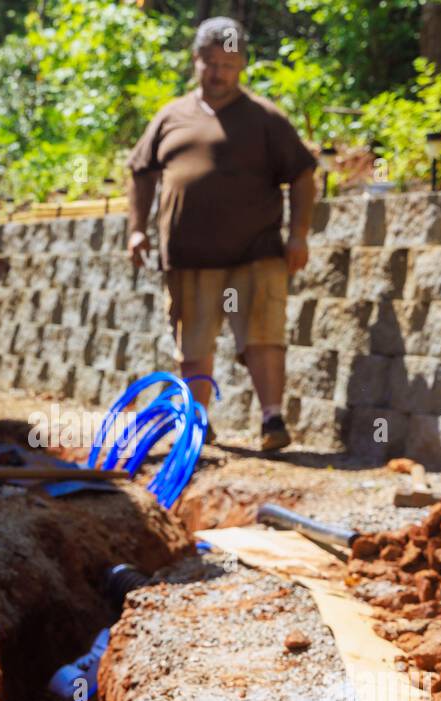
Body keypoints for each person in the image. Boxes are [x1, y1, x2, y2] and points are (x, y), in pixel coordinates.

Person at [127, 16, 317, 452]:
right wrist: (137, 231)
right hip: (189, 256)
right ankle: (198, 423)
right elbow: (140, 173)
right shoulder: (170, 116)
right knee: (192, 345)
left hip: (257, 253)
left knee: (263, 337)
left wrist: (299, 234)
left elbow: (304, 175)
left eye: (228, 64)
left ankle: (272, 421)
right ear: (195, 61)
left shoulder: (266, 118)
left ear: (243, 65)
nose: (218, 73)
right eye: (210, 62)